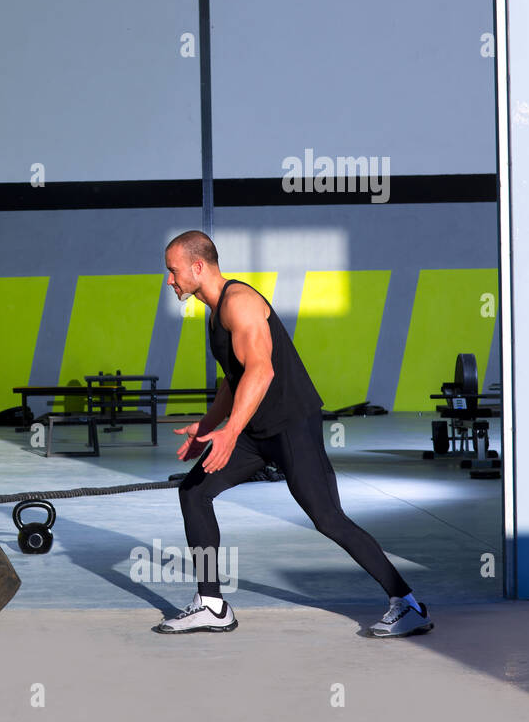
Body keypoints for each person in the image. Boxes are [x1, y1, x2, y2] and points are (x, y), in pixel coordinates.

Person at [158, 230, 431, 637]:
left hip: (292, 428)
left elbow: (261, 370)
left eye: (173, 271)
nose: (169, 280)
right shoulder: (215, 313)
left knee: (328, 519)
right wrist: (208, 425)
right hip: (254, 430)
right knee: (194, 492)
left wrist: (230, 431)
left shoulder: (241, 304)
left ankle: (407, 603)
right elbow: (234, 379)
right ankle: (212, 604)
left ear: (198, 267)